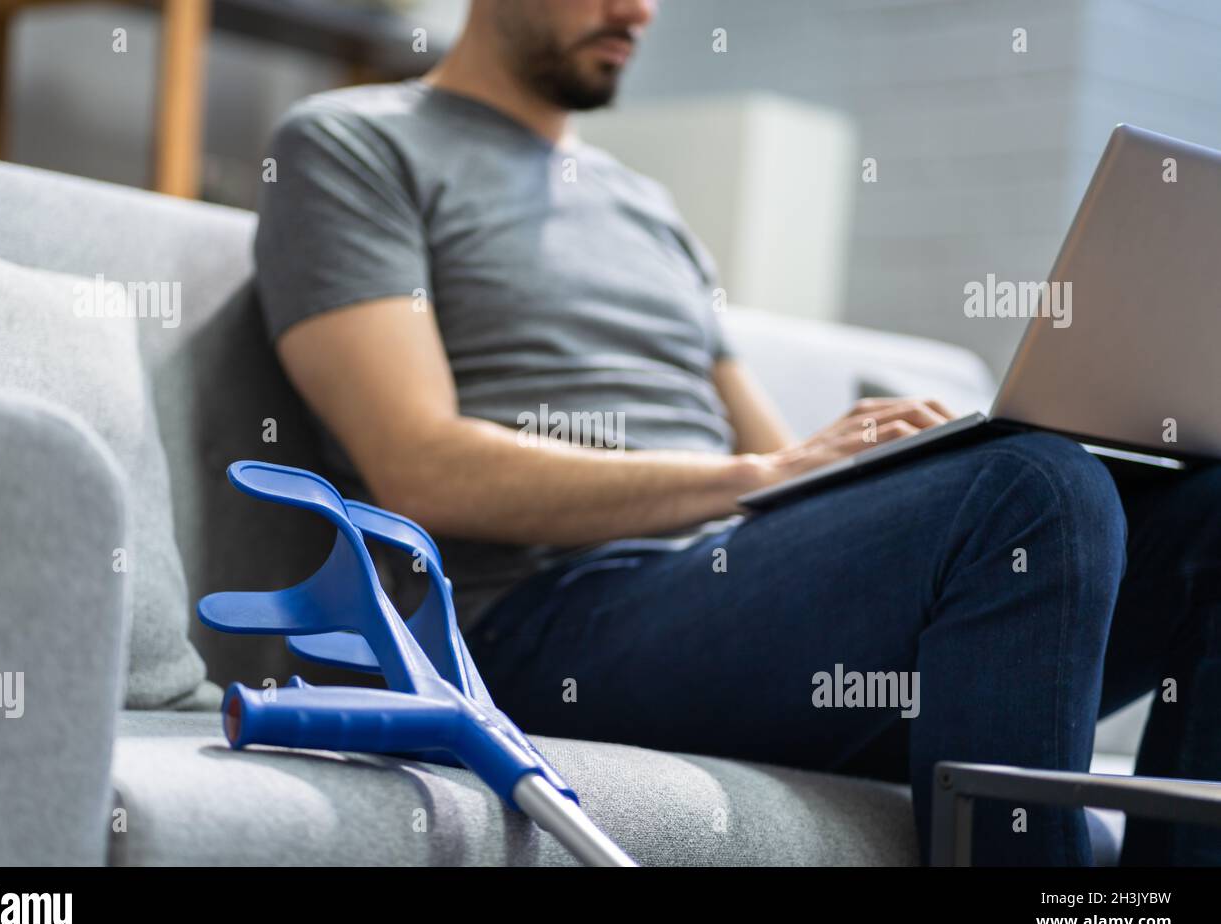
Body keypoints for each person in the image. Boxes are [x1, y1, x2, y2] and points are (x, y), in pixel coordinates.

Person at [253, 0, 1221, 865]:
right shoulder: (352, 144)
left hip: (713, 609)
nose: (637, 10)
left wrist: (883, 465)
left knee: (1205, 510)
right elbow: (416, 462)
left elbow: (780, 471)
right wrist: (758, 471)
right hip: (530, 623)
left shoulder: (646, 208)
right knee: (1037, 491)